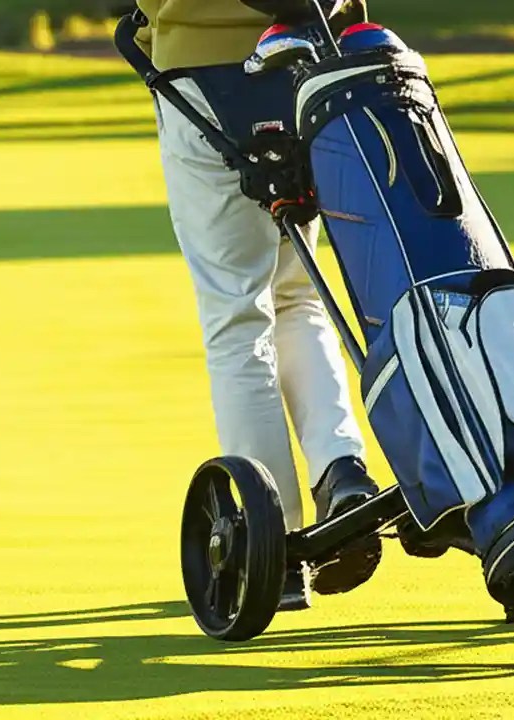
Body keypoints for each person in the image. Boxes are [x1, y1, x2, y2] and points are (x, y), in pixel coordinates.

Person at [133, 0, 377, 611]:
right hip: (303, 66)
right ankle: (341, 471)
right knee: (298, 295)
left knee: (237, 314)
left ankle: (278, 545)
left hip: (198, 71)